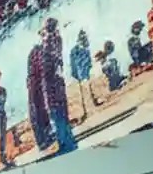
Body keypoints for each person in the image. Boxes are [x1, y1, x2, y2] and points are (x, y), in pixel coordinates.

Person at [39, 18, 77, 152]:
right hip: (58, 81)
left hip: (51, 83)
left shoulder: (46, 46)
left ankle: (65, 143)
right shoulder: (57, 41)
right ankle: (68, 140)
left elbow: (46, 69)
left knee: (56, 113)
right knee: (62, 112)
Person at [25, 43, 54, 151]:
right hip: (35, 88)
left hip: (35, 87)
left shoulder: (32, 73)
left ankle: (44, 138)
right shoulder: (34, 71)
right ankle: (43, 139)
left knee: (39, 112)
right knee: (38, 112)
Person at [69, 29, 99, 112]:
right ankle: (88, 108)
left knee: (87, 89)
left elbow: (87, 62)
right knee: (85, 91)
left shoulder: (83, 49)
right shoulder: (78, 50)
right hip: (81, 74)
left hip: (84, 73)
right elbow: (75, 64)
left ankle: (92, 104)